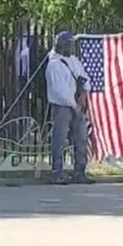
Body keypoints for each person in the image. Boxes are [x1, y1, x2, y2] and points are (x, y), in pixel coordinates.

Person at [45, 31, 92, 185]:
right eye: (68, 43)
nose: (71, 46)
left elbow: (85, 79)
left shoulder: (74, 61)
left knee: (81, 138)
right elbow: (60, 90)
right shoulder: (54, 64)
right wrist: (74, 104)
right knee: (60, 139)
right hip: (62, 107)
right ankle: (57, 172)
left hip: (77, 104)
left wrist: (83, 95)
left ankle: (80, 171)